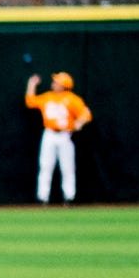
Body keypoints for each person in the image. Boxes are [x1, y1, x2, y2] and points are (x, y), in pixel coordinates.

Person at [26, 67, 92, 203]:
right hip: (49, 134)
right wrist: (31, 84)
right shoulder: (48, 96)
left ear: (64, 85)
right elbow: (30, 102)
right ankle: (42, 198)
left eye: (56, 82)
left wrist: (79, 122)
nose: (53, 83)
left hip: (65, 135)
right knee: (45, 165)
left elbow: (86, 113)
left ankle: (69, 197)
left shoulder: (72, 99)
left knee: (67, 167)